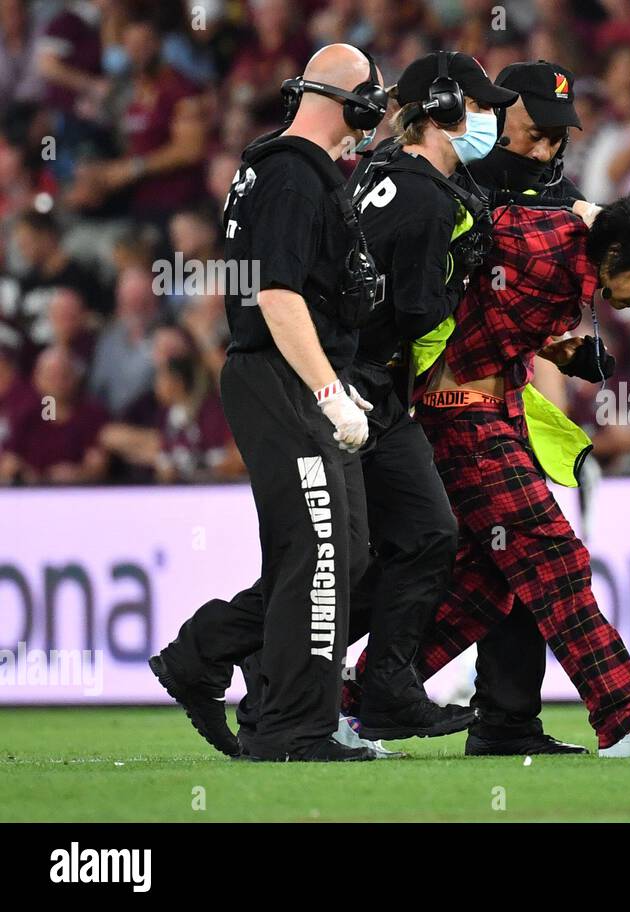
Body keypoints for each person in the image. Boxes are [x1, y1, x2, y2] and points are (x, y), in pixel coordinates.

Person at [352, 185, 630, 757]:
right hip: (463, 419)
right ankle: (623, 721)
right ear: (617, 255)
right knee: (556, 560)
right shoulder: (538, 248)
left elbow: (492, 307)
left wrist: (553, 348)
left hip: (487, 414)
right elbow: (487, 230)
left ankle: (356, 701)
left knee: (485, 586)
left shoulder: (570, 261)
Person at [150, 44, 388, 762]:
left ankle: (205, 654)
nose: (374, 115)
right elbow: (277, 296)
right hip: (284, 375)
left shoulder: (280, 169)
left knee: (340, 556)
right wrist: (329, 392)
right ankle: (292, 728)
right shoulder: (291, 176)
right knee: (318, 554)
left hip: (289, 374)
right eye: (371, 98)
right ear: (348, 100)